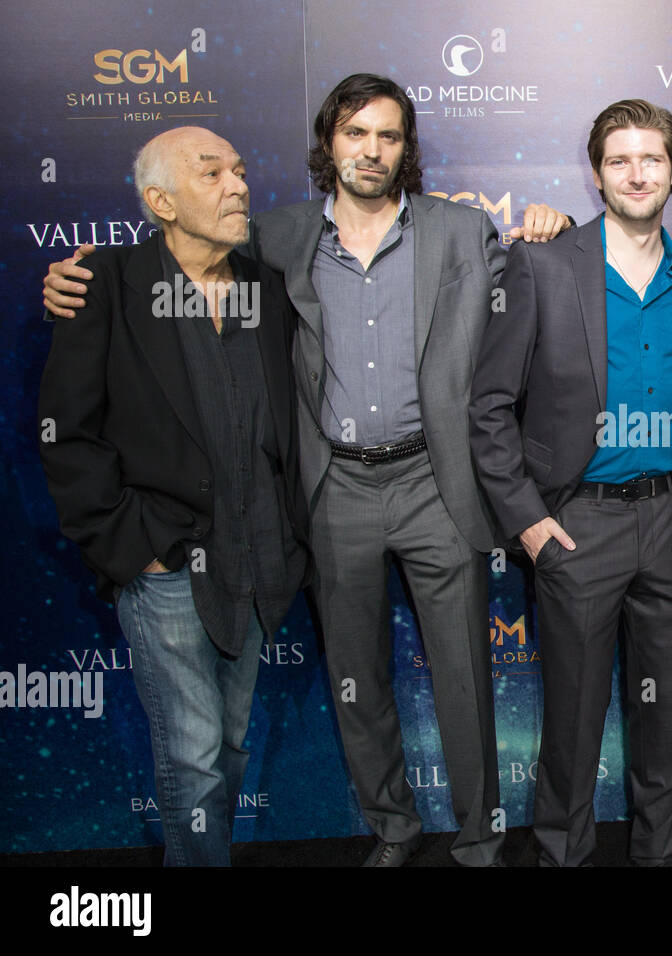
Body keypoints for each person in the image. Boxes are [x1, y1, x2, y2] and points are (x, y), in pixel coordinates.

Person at [41, 74, 570, 867]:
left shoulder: (462, 232)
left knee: (464, 674)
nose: (372, 150)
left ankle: (480, 836)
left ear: (406, 149)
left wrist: (553, 229)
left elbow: (529, 291)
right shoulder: (274, 238)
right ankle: (391, 827)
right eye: (355, 133)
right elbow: (171, 262)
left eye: (388, 136)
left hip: (436, 483)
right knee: (357, 678)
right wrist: (73, 274)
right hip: (333, 491)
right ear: (329, 143)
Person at [38, 127, 309, 865]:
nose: (239, 186)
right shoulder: (107, 285)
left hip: (261, 563)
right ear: (161, 200)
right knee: (191, 757)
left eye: (242, 170)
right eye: (212, 172)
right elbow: (68, 433)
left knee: (228, 744)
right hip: (168, 566)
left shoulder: (268, 289)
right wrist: (136, 549)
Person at [469, 98, 672, 866]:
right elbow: (488, 406)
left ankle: (658, 855)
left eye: (651, 158)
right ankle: (561, 856)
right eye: (619, 160)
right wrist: (531, 523)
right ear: (597, 173)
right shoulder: (543, 264)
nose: (636, 173)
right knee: (573, 720)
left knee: (668, 715)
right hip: (578, 526)